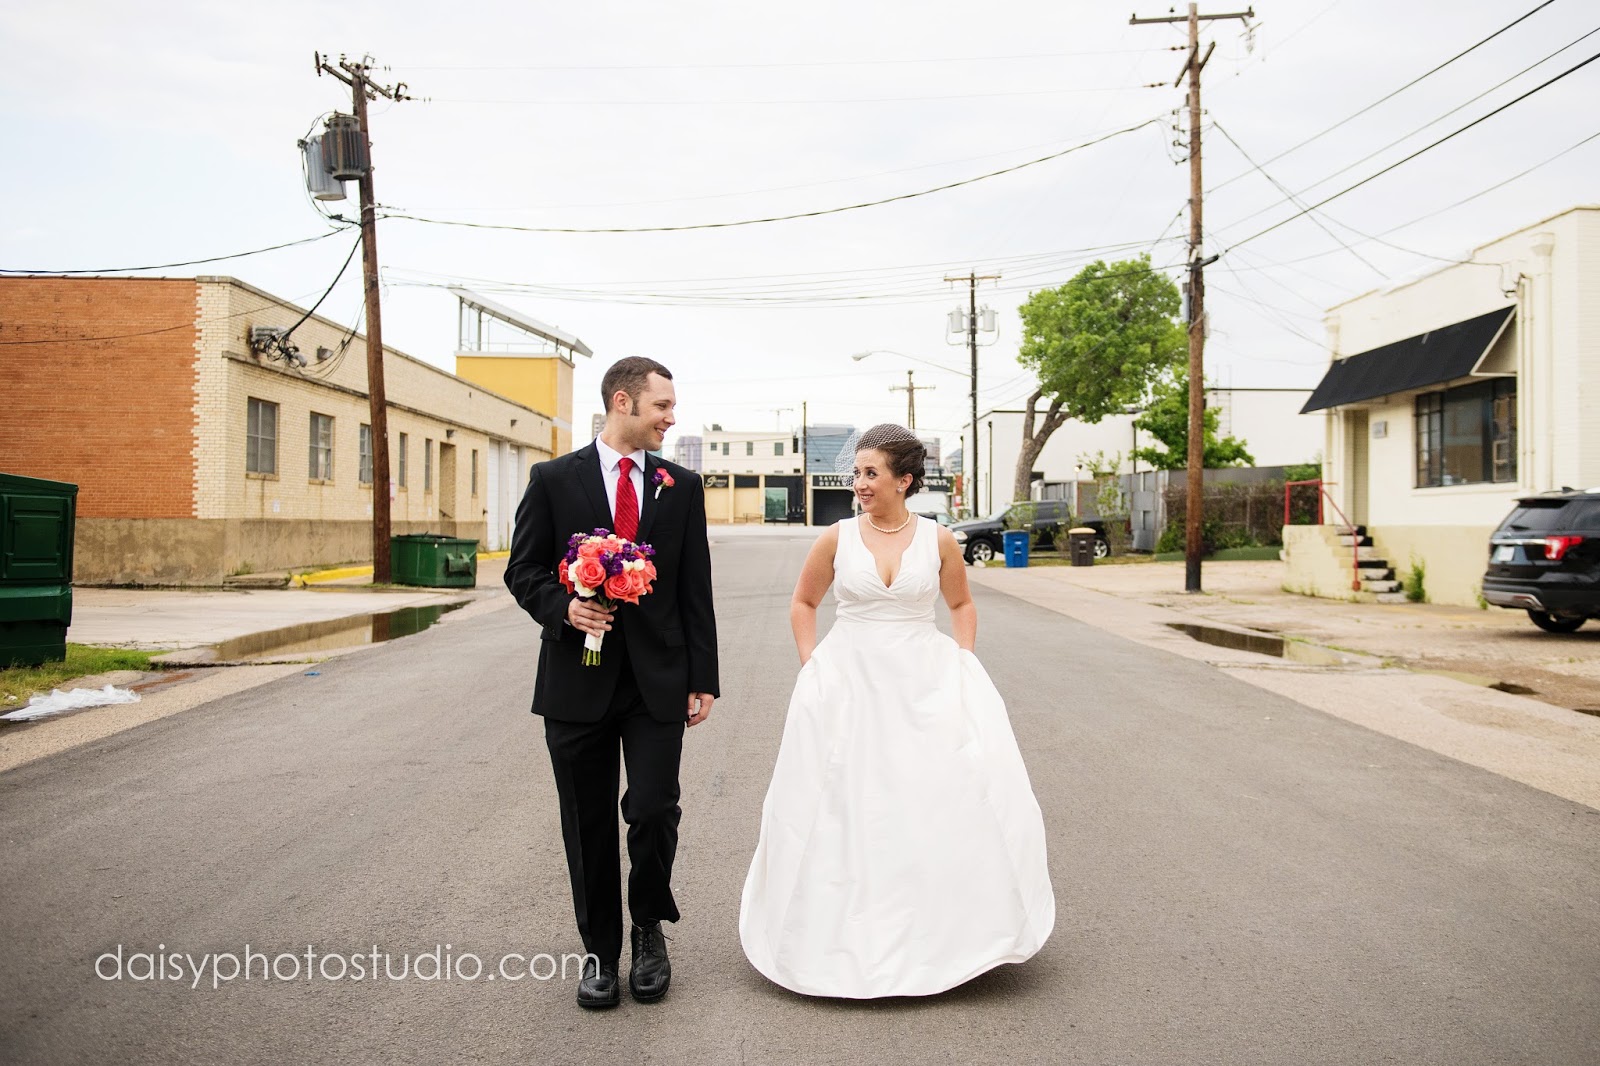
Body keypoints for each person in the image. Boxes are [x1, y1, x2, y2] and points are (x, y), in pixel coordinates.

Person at [739, 423, 1054, 998]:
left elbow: (960, 604)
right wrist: (812, 667)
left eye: (870, 473)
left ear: (904, 480)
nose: (858, 483)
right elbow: (804, 602)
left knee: (928, 800)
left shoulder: (939, 540)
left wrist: (962, 667)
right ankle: (838, 932)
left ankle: (942, 938)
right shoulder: (836, 537)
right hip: (849, 681)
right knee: (848, 803)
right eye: (856, 472)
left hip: (923, 683)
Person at [505, 357, 720, 1010]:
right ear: (623, 402)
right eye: (662, 406)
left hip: (656, 682)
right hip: (577, 682)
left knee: (653, 809)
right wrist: (564, 608)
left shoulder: (680, 486)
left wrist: (702, 677)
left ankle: (648, 928)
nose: (671, 417)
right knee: (587, 821)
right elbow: (524, 570)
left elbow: (693, 587)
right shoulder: (552, 480)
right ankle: (600, 949)